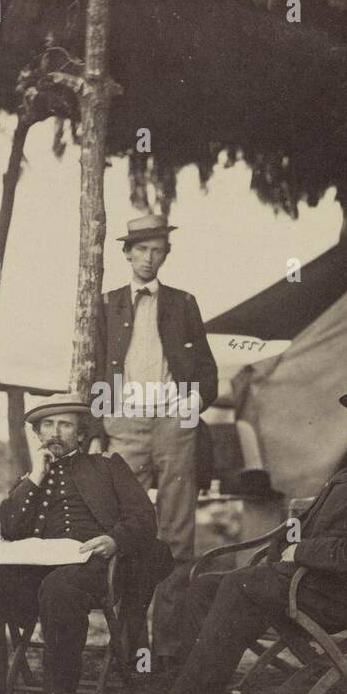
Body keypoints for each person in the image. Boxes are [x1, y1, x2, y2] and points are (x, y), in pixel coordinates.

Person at [124, 376, 347, 694]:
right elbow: (309, 530)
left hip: (342, 597)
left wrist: (301, 551)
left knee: (240, 585)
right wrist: (284, 546)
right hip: (311, 583)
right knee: (204, 587)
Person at [0, 393, 165, 694]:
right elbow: (5, 528)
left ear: (80, 434)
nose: (54, 432)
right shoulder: (30, 480)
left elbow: (143, 518)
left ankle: (62, 693)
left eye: (65, 425)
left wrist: (114, 540)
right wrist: (35, 477)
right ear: (38, 434)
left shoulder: (108, 466)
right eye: (47, 425)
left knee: (60, 585)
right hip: (35, 571)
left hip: (94, 567)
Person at [96, 214, 219, 668]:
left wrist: (191, 408)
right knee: (124, 530)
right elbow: (92, 367)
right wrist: (100, 421)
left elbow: (206, 368)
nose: (149, 258)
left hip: (173, 425)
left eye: (158, 250)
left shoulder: (184, 303)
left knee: (177, 537)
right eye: (141, 249)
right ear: (126, 253)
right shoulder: (105, 304)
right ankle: (128, 646)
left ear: (166, 255)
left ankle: (168, 648)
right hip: (123, 423)